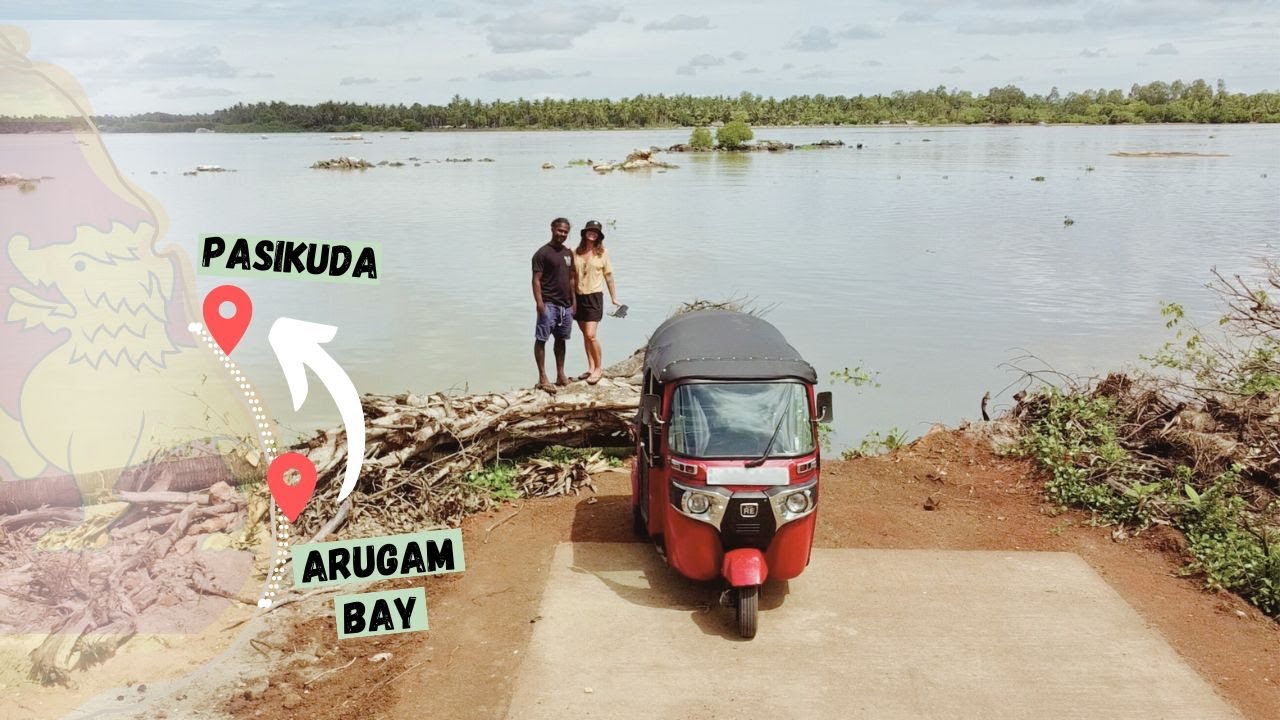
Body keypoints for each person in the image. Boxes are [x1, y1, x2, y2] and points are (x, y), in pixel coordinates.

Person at [532, 217, 577, 394]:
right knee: (541, 339)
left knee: (561, 340)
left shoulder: (568, 253)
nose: (562, 234)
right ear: (552, 229)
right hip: (548, 303)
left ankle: (560, 374)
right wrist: (540, 303)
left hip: (565, 306)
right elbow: (536, 280)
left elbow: (572, 278)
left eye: (565, 232)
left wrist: (574, 302)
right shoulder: (542, 253)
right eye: (559, 230)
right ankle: (543, 377)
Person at [572, 219, 620, 385]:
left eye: (595, 232)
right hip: (578, 297)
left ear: (599, 235)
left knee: (591, 335)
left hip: (594, 296)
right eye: (589, 231)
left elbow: (609, 276)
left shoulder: (602, 253)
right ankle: (591, 367)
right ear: (584, 233)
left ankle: (599, 368)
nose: (592, 234)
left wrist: (614, 297)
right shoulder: (575, 252)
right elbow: (571, 276)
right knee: (585, 335)